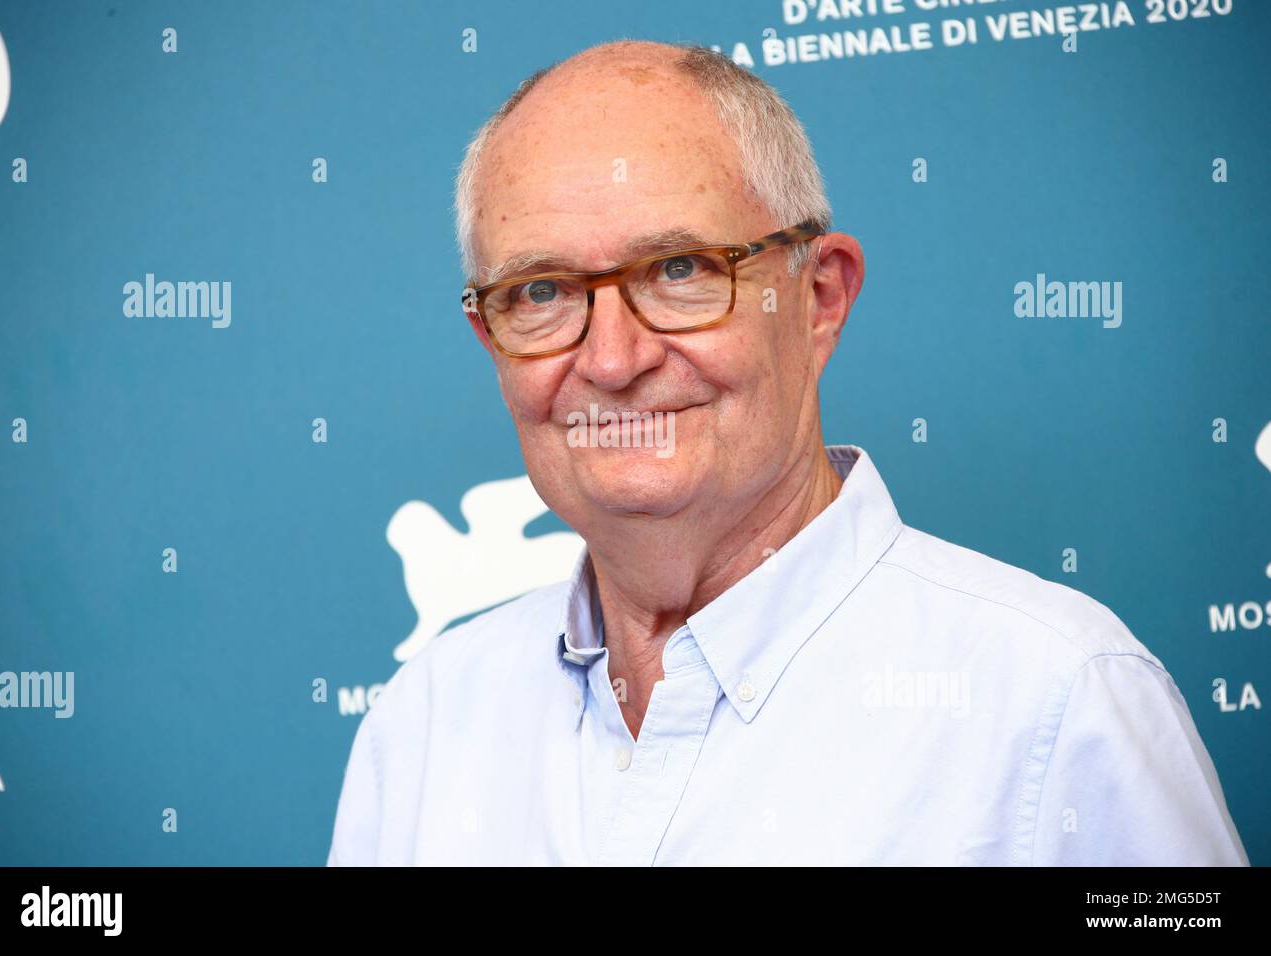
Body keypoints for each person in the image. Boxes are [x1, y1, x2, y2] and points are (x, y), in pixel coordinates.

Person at [327, 39, 1248, 865]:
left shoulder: (1059, 702)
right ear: (491, 341)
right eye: (541, 292)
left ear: (819, 300)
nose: (610, 359)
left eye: (680, 271)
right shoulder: (425, 724)